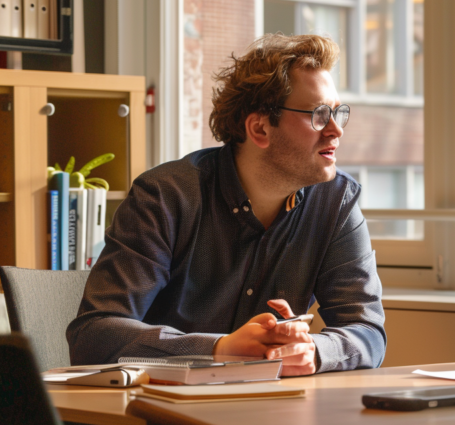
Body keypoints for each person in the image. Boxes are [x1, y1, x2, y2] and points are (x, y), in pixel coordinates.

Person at [67, 34, 386, 375]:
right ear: (260, 128)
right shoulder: (166, 197)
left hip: (272, 410)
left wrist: (314, 351)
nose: (336, 130)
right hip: (160, 413)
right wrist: (217, 349)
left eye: (338, 112)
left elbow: (368, 331)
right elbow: (94, 334)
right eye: (320, 114)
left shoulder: (336, 202)